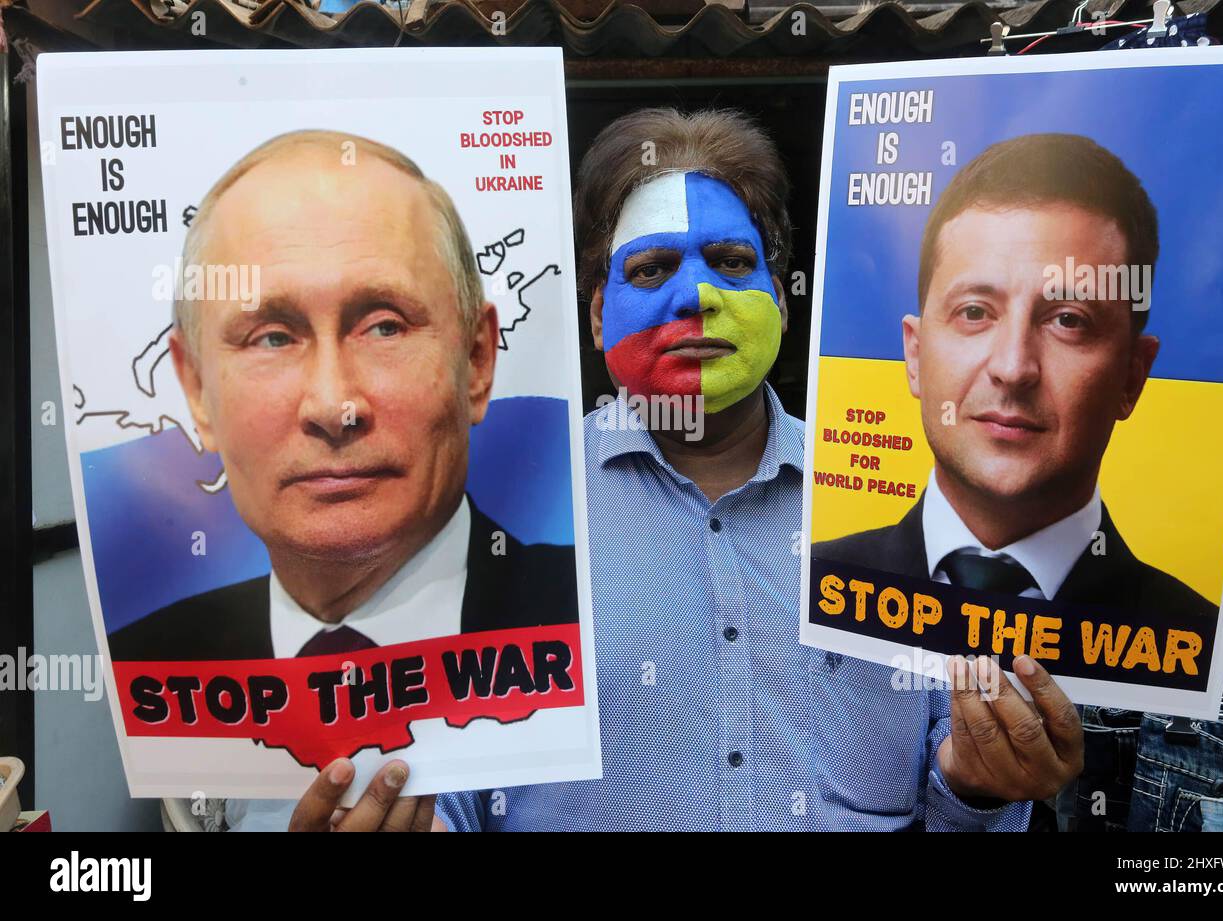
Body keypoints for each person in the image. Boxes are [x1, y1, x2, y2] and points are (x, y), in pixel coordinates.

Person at [286, 110, 1083, 833]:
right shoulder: (500, 514)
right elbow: (449, 784)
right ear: (598, 314)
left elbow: (960, 778)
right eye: (651, 268)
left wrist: (980, 785)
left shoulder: (909, 497)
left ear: (779, 295)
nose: (696, 297)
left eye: (733, 263)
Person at [108, 130, 577, 664]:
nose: (334, 408)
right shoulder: (145, 668)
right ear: (195, 389)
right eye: (274, 338)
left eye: (384, 328)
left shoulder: (611, 629)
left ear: (476, 361)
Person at [816, 134, 1216, 621]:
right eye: (975, 311)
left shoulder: (1198, 640)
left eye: (1068, 320)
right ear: (915, 355)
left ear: (1132, 377)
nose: (1012, 368)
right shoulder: (812, 588)